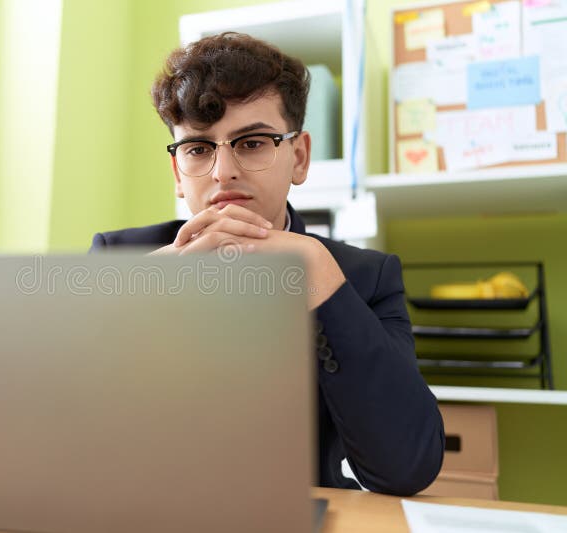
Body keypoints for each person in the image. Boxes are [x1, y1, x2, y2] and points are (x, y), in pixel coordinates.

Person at [90, 32, 444, 496]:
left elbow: (406, 467)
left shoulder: (363, 279)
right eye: (198, 149)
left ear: (298, 157)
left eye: (252, 142)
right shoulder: (122, 263)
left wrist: (318, 275)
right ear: (179, 173)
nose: (222, 172)